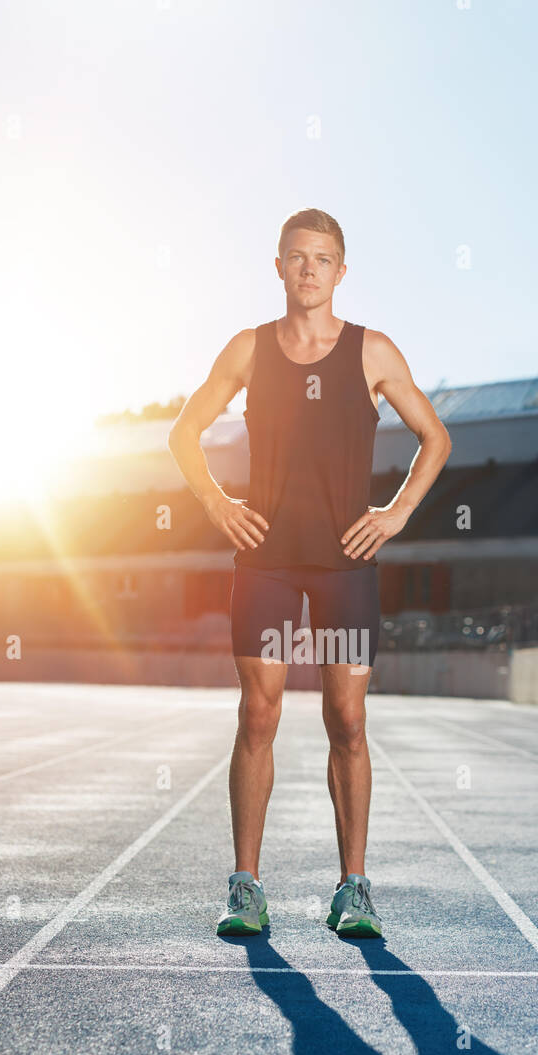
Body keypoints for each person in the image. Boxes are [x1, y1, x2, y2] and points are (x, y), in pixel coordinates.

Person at [168, 208, 451, 938]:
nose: (309, 270)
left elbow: (436, 437)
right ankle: (245, 887)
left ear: (341, 272)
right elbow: (184, 431)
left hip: (344, 561)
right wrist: (214, 501)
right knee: (258, 715)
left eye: (322, 259)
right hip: (265, 558)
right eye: (297, 257)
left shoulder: (372, 352)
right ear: (279, 266)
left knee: (347, 720)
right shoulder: (248, 349)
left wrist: (393, 514)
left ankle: (353, 888)